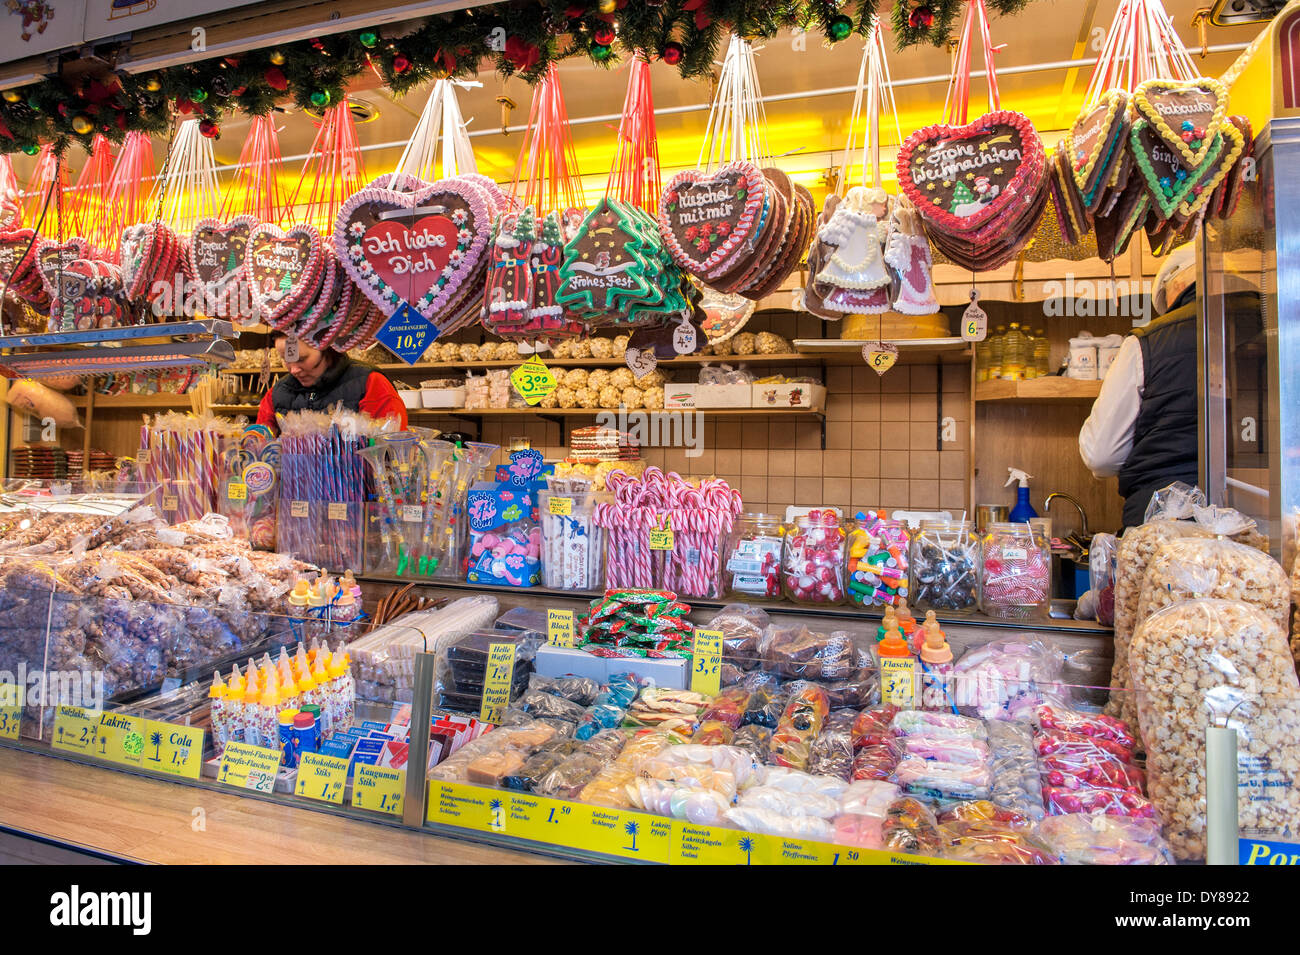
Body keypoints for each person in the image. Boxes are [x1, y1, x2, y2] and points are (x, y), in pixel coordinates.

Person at [1078, 244, 1197, 528]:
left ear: (1177, 283)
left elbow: (1101, 454)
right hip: (1262, 516)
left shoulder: (1148, 341)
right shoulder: (1275, 324)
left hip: (1166, 523)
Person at [256, 333, 408, 429]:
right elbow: (261, 444)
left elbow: (392, 446)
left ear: (328, 348)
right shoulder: (278, 392)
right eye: (285, 359)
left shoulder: (369, 382)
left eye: (302, 359)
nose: (293, 369)